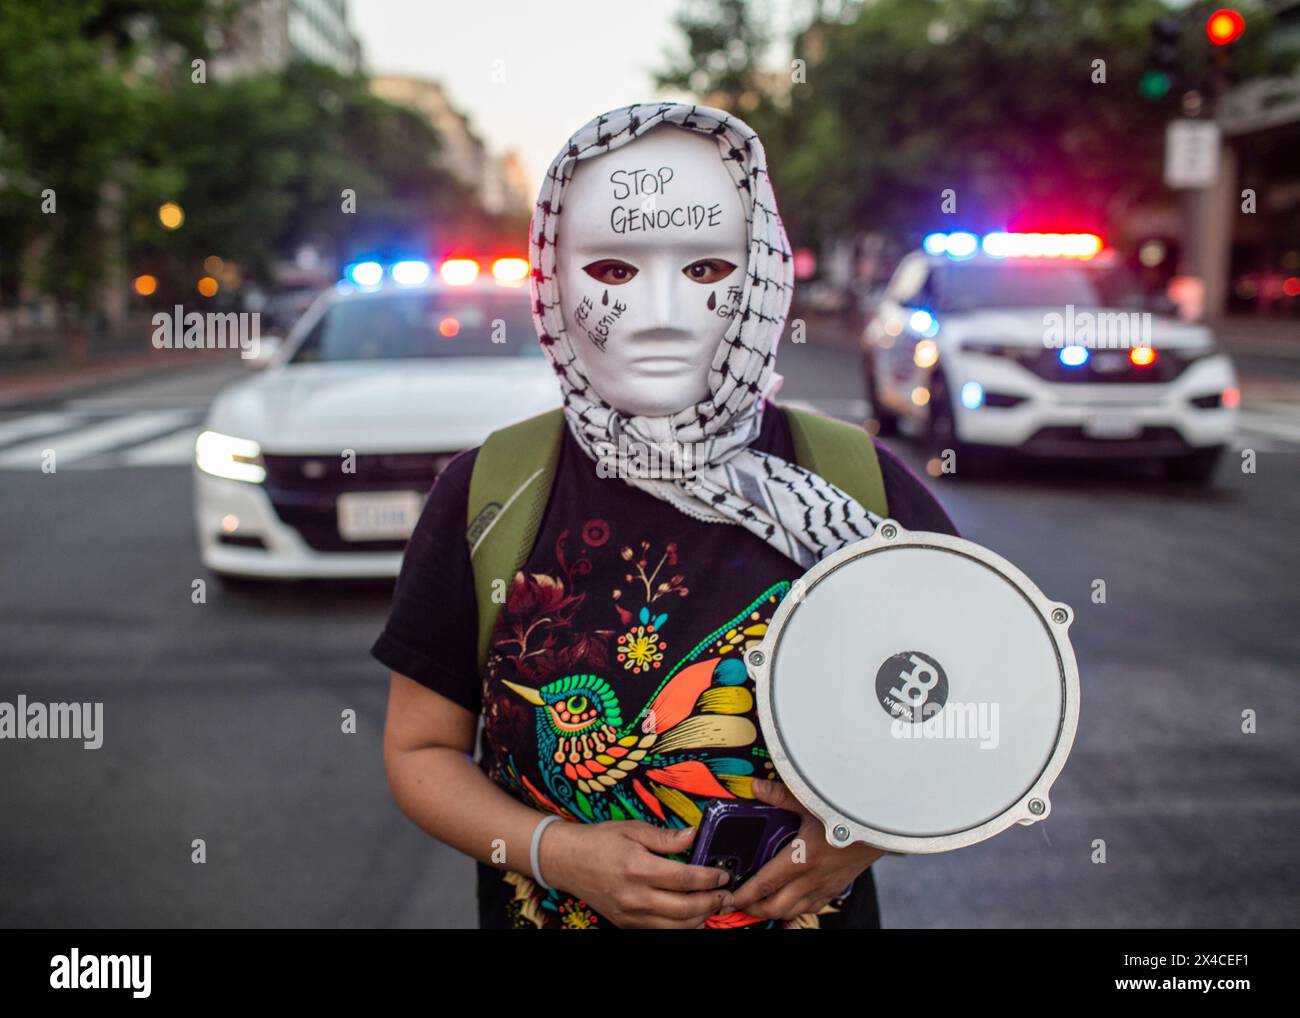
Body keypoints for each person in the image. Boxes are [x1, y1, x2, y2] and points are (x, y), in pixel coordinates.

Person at [374, 102, 958, 929]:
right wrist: (554, 851)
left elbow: (975, 711)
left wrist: (864, 833)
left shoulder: (857, 485)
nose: (659, 313)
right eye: (612, 270)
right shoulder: (490, 494)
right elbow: (420, 751)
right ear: (552, 275)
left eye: (706, 270)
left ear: (758, 274)